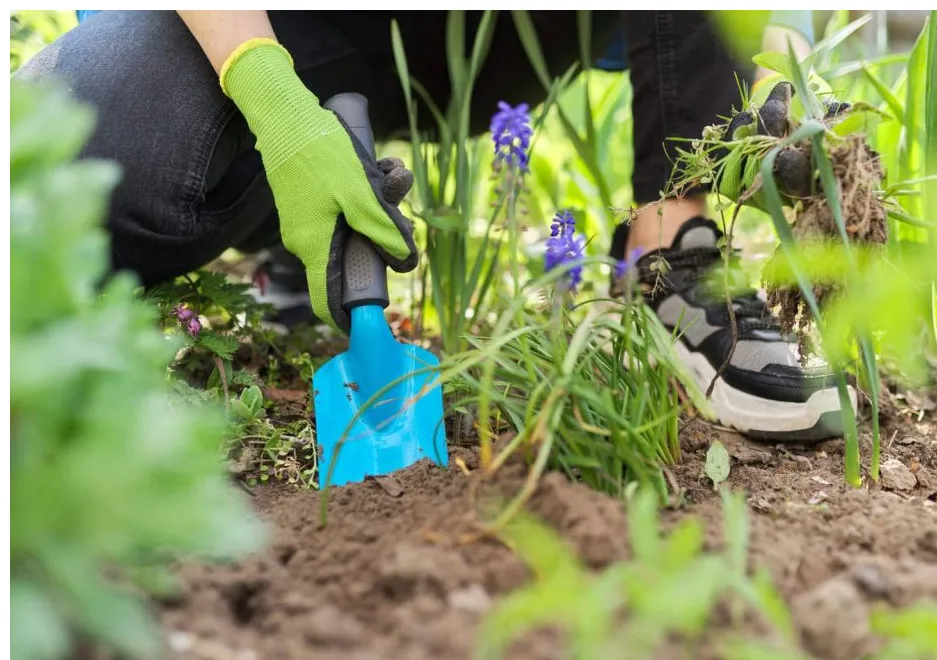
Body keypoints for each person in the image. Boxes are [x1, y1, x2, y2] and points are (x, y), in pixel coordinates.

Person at [15, 10, 853, 442]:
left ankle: (673, 254)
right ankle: (282, 222)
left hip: (521, 27)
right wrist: (268, 94)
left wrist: (759, 83)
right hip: (287, 20)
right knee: (70, 146)